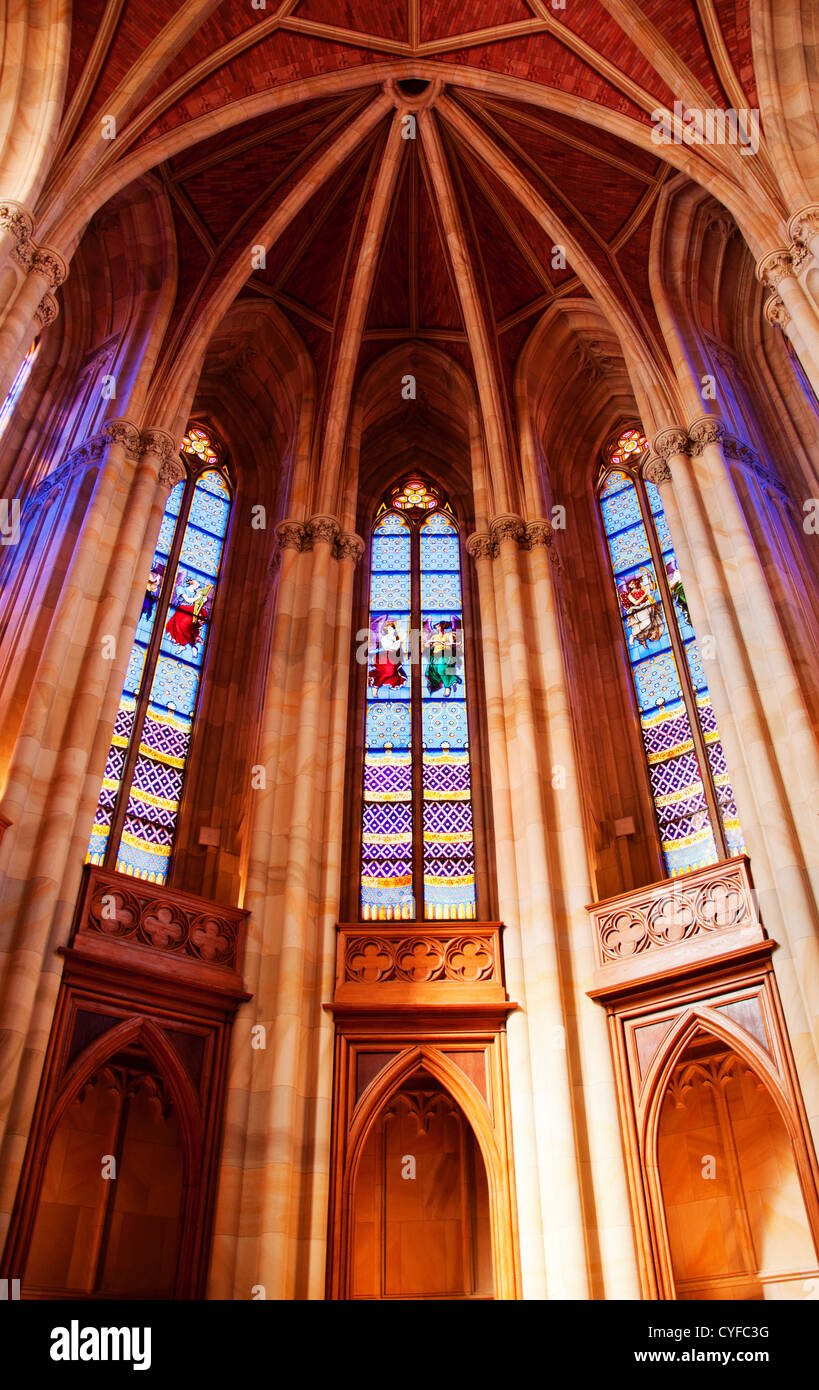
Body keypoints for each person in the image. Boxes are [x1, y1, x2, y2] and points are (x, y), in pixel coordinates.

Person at [425, 618, 461, 696]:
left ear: (442, 627)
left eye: (438, 626)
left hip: (446, 654)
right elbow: (427, 645)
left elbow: (452, 643)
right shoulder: (434, 637)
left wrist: (445, 644)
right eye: (436, 627)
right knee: (438, 670)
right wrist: (429, 642)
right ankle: (453, 680)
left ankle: (447, 687)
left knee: (441, 670)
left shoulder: (449, 635)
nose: (437, 628)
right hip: (436, 656)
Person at [368, 619, 407, 690]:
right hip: (386, 656)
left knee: (391, 673)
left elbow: (402, 642)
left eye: (392, 628)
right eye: (389, 628)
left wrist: (399, 643)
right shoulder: (384, 638)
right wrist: (396, 644)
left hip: (394, 656)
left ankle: (376, 686)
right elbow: (387, 646)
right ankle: (376, 686)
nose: (391, 630)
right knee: (388, 672)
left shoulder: (397, 637)